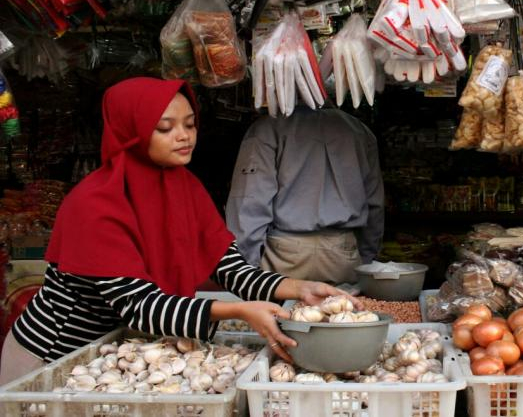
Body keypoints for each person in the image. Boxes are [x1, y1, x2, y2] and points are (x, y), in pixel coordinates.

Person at [0, 78, 357, 386]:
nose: (184, 136)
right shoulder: (95, 204)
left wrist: (297, 288)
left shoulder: (183, 187)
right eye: (165, 128)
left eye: (189, 124)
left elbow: (229, 268)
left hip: (116, 353)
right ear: (132, 131)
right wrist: (238, 312)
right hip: (54, 357)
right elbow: (140, 306)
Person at [225, 106, 384, 284]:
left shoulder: (268, 128)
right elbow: (375, 204)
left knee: (282, 311)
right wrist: (367, 259)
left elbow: (250, 203)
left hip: (284, 255)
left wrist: (243, 270)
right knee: (342, 311)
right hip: (343, 253)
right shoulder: (360, 131)